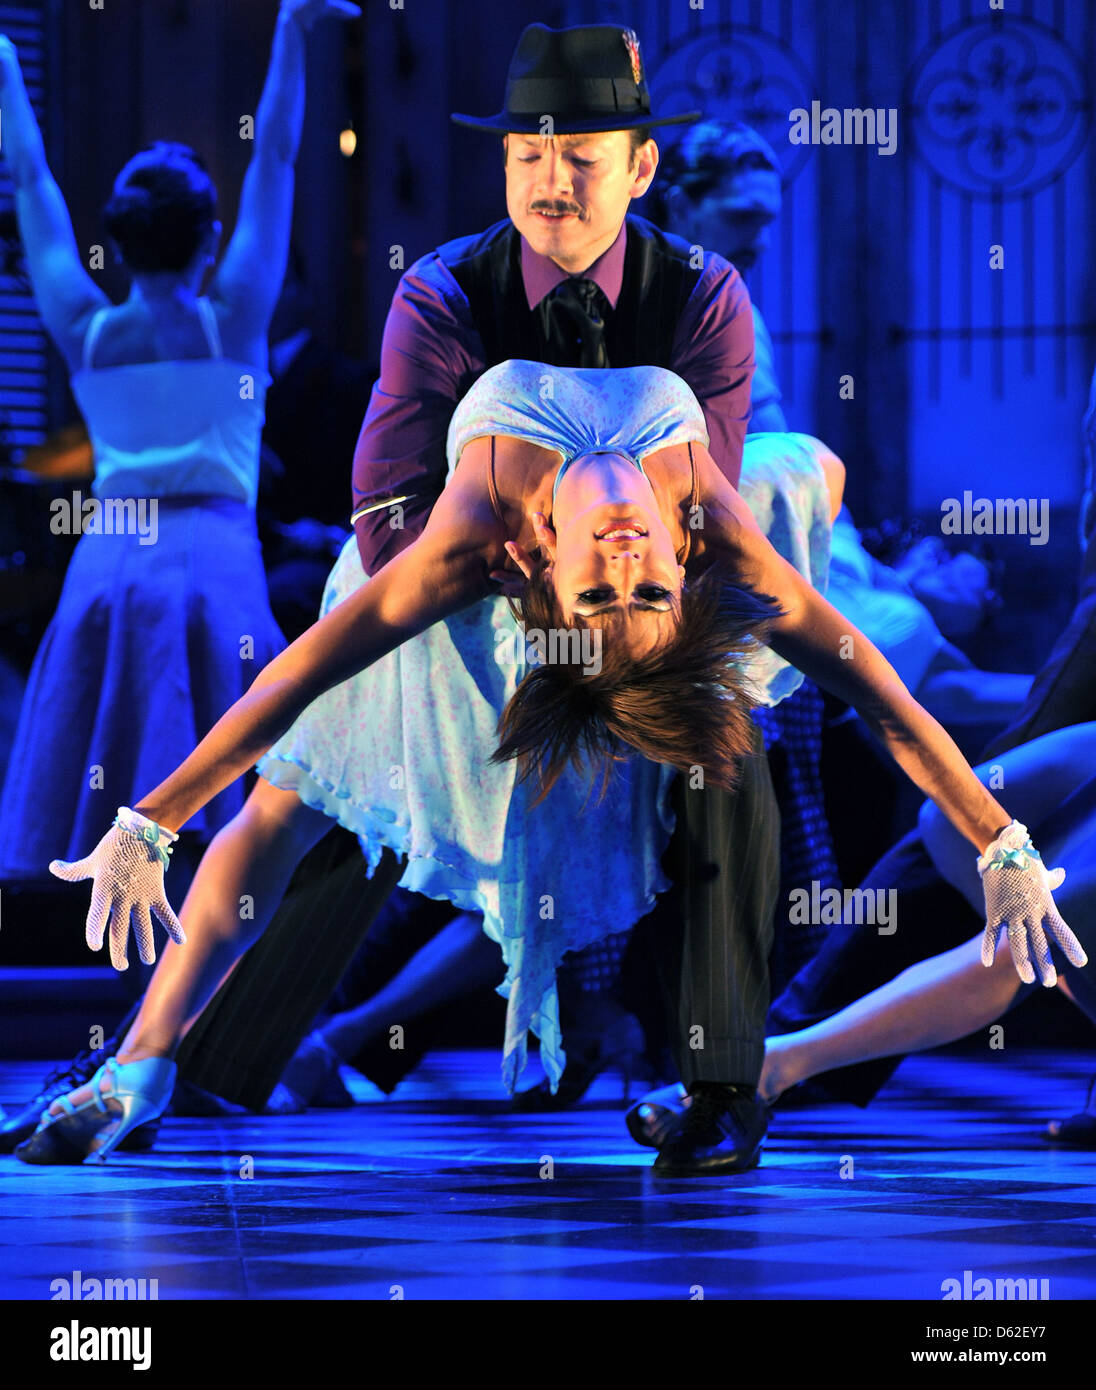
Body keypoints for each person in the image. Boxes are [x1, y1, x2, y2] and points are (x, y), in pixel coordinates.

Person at [15, 359, 1086, 1179]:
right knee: (306, 794)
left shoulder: (478, 545)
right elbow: (886, 700)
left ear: (534, 566)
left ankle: (143, 1062)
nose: (624, 563)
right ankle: (154, 1059)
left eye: (608, 591)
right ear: (686, 557)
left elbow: (284, 683)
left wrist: (148, 820)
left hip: (468, 636)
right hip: (520, 575)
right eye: (642, 593)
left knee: (292, 788)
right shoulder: (713, 530)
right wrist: (1001, 840)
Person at [0, 0, 359, 910]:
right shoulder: (234, 317)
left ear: (117, 240)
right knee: (226, 799)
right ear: (209, 237)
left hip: (111, 561)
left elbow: (34, 180)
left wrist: (5, 61)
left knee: (111, 769)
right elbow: (274, 156)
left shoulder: (86, 328)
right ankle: (192, 1008)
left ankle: (130, 1003)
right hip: (213, 558)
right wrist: (293, 25)